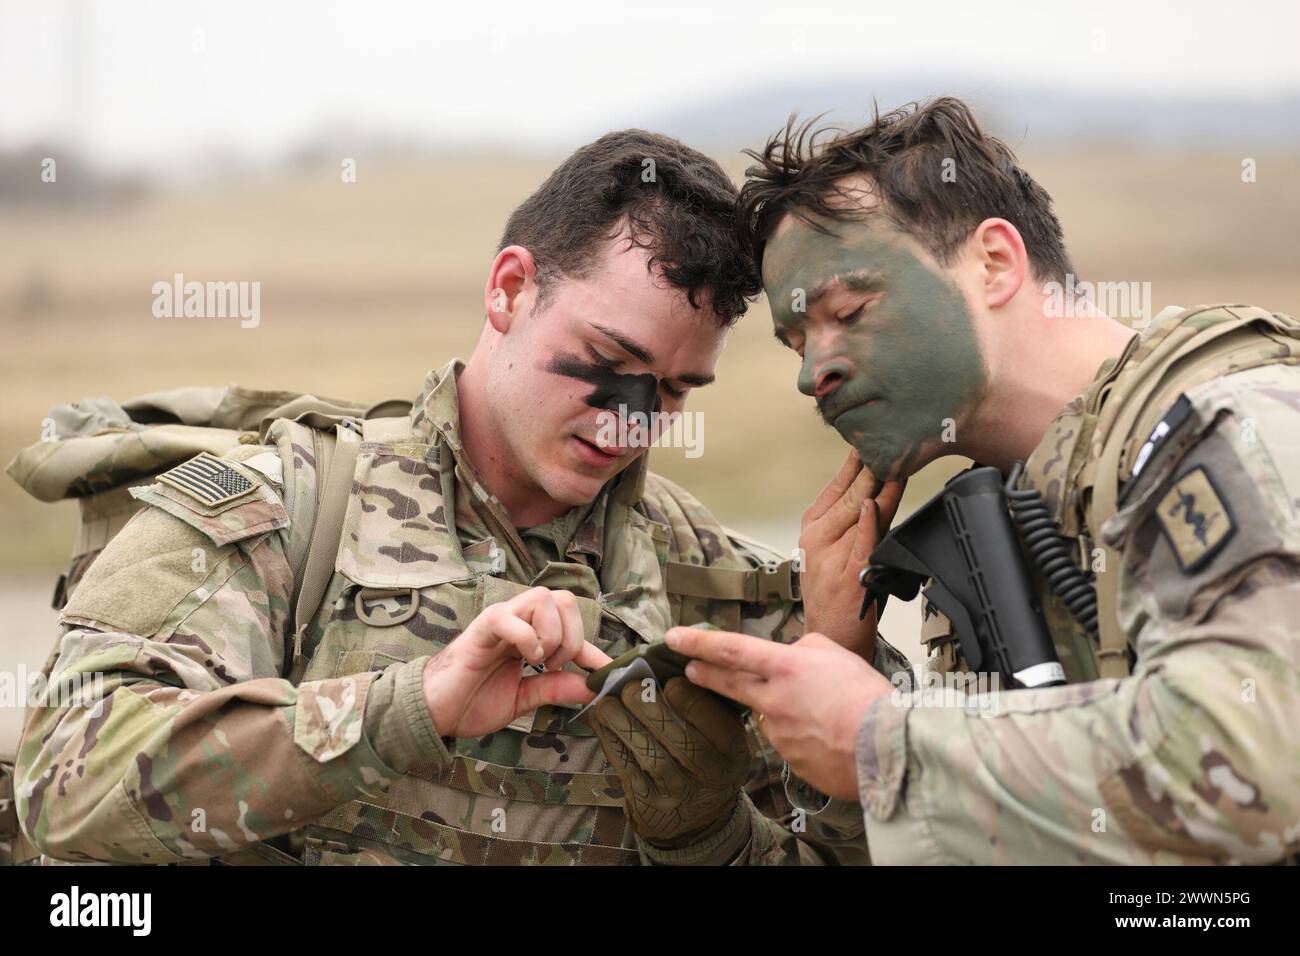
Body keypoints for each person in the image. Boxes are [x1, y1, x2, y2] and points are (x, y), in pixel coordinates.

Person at [11, 129, 911, 866]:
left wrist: (724, 821)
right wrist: (411, 709)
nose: (634, 421)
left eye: (674, 390)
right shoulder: (280, 513)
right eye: (611, 363)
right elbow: (65, 784)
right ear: (510, 289)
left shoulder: (709, 579)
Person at [667, 97, 1300, 864]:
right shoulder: (998, 518)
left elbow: (1266, 765)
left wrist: (883, 741)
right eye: (796, 340)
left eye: (850, 310)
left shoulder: (1231, 422)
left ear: (995, 263)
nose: (811, 373)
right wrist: (841, 658)